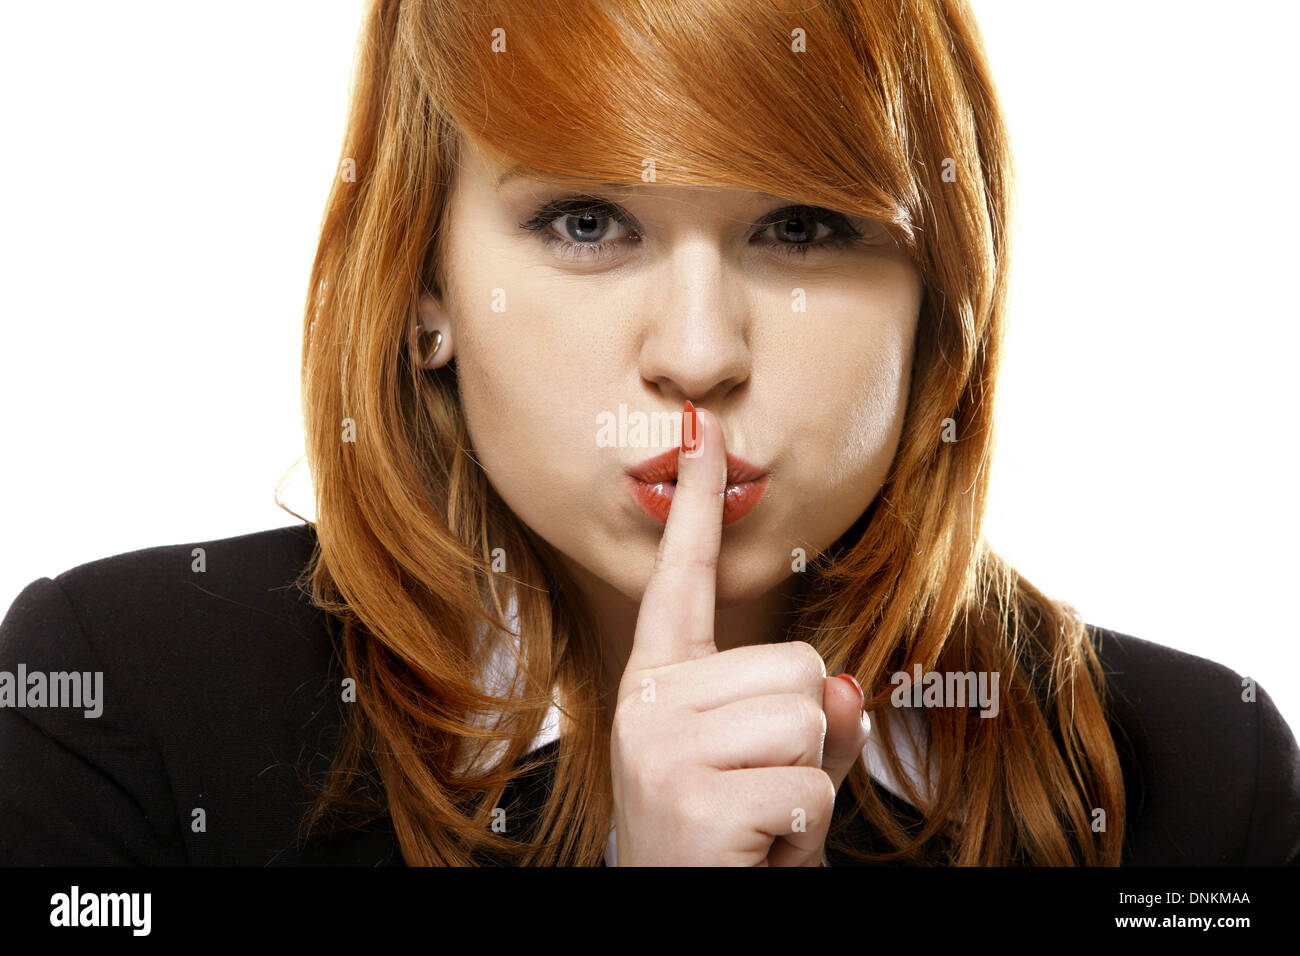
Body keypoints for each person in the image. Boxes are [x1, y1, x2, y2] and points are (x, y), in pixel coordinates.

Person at [2, 0, 1297, 867]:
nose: (696, 353)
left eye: (800, 229)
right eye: (585, 224)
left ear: (937, 298)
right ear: (428, 291)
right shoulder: (126, 705)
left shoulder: (1192, 779)